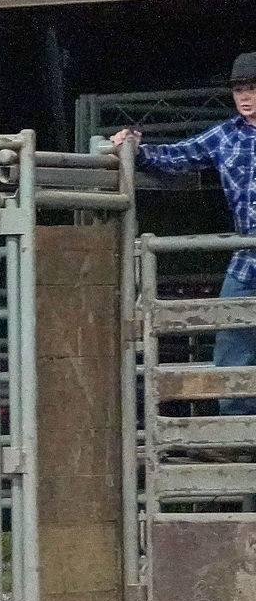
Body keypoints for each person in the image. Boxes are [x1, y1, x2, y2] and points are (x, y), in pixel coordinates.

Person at [112, 52, 256, 415]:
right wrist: (137, 149)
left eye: (253, 88)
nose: (245, 96)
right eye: (240, 89)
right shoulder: (227, 135)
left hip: (246, 256)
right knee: (231, 347)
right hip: (248, 260)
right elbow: (179, 154)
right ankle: (234, 437)